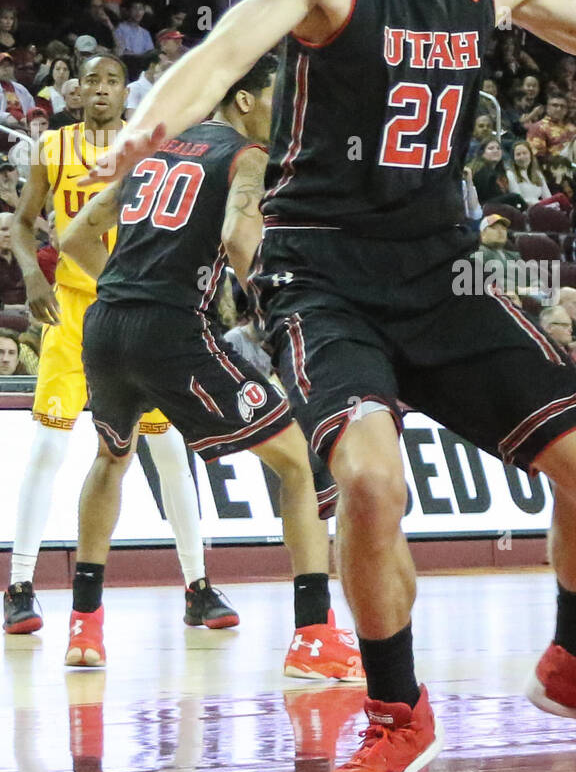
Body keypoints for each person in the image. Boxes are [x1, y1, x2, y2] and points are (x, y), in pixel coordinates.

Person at [95, 0, 576, 772]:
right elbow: (228, 45)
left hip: (441, 266)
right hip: (319, 269)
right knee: (370, 483)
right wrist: (152, 118)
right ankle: (394, 707)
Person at [54, 54, 357, 673]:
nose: (288, 112)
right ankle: (312, 637)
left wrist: (125, 287)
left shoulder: (159, 150)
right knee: (300, 461)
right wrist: (278, 317)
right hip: (175, 333)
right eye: (279, 97)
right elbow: (240, 238)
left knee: (112, 459)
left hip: (106, 325)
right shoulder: (246, 158)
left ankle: (84, 629)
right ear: (244, 102)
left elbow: (76, 234)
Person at [1, 55, 225, 637]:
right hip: (73, 310)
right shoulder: (53, 145)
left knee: (169, 451)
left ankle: (198, 587)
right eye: (91, 80)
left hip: (134, 309)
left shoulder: (152, 145)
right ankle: (19, 586)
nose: (101, 89)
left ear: (129, 91)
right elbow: (24, 223)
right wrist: (30, 275)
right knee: (49, 448)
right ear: (74, 90)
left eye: (112, 80)